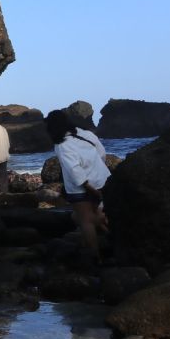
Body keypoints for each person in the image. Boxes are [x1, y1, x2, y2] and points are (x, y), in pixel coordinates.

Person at [46, 109, 111, 262]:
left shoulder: (62, 144)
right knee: (102, 213)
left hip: (81, 188)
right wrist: (96, 172)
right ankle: (114, 244)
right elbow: (102, 153)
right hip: (102, 179)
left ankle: (95, 257)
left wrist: (89, 187)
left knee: (85, 220)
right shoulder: (87, 134)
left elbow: (74, 169)